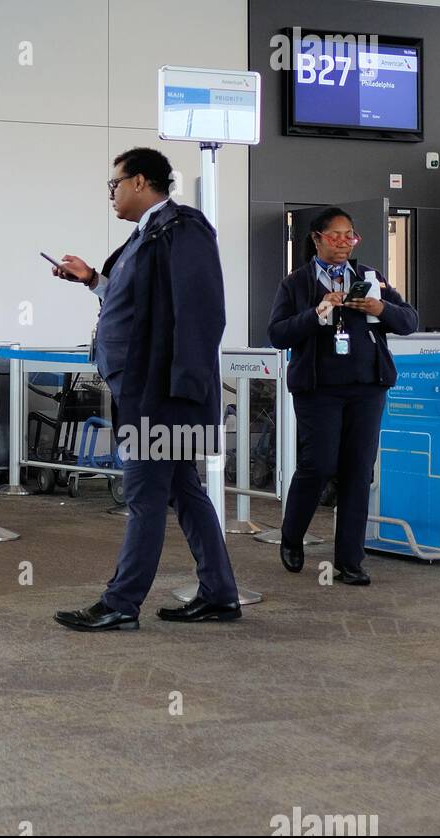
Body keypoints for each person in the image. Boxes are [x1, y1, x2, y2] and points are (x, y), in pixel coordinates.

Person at [48, 147, 241, 631]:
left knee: (144, 495)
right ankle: (219, 594)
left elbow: (202, 312)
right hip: (144, 390)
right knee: (182, 490)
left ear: (139, 182)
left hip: (164, 396)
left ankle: (121, 602)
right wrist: (92, 279)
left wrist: (182, 389)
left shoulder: (184, 229)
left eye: (114, 184)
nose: (110, 194)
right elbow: (135, 301)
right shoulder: (146, 236)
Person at [267, 207, 418, 586]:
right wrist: (317, 314)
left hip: (367, 387)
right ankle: (292, 535)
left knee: (357, 471)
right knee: (317, 465)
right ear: (316, 238)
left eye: (349, 235)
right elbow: (278, 334)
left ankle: (350, 561)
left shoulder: (370, 278)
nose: (343, 242)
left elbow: (409, 321)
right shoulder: (296, 284)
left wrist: (379, 307)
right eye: (334, 235)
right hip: (319, 390)